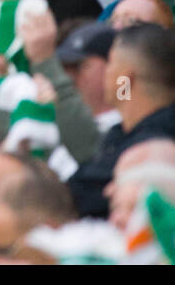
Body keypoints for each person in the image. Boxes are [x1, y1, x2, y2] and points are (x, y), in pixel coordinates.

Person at [69, 23, 175, 218]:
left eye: (110, 63)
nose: (106, 73)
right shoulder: (122, 131)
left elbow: (77, 197)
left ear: (125, 80)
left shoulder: (154, 141)